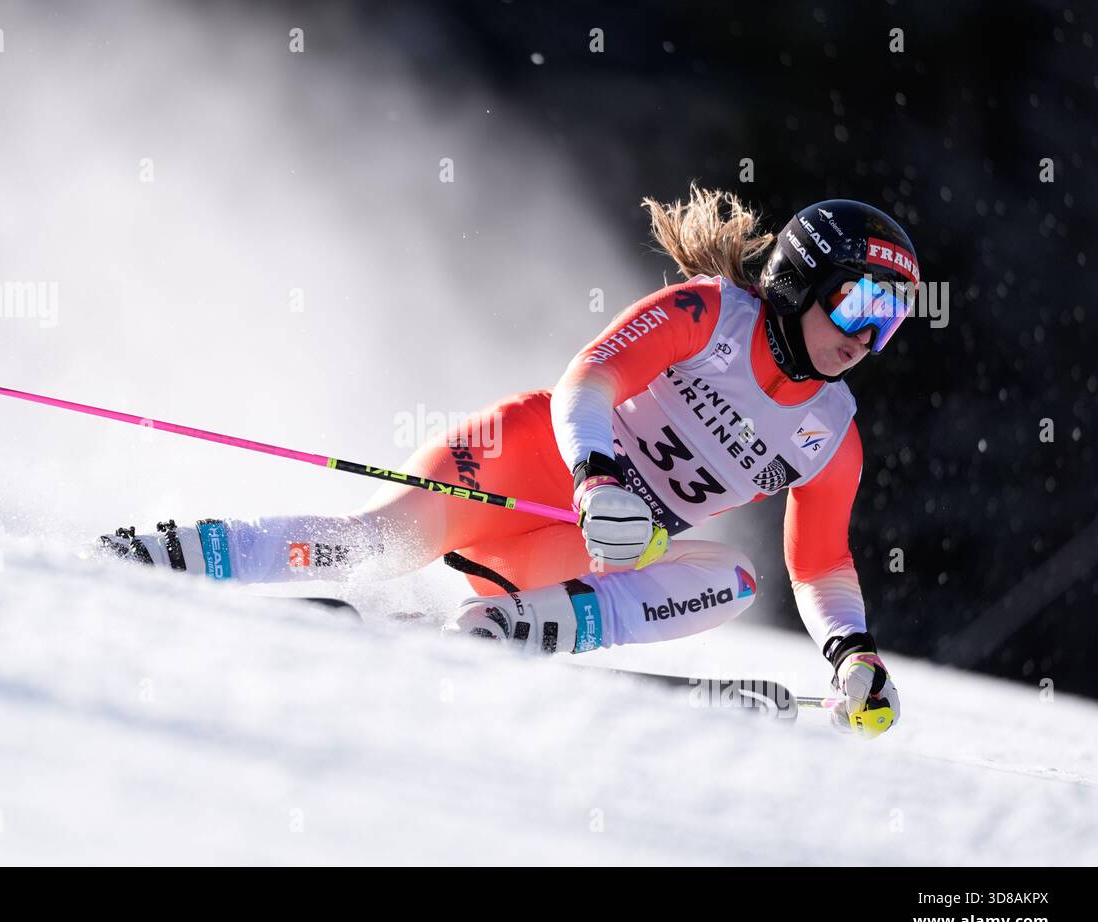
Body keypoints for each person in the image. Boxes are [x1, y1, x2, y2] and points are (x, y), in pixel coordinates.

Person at [101, 185, 919, 738]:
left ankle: (500, 627)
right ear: (803, 279)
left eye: (891, 322)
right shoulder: (708, 314)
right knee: (369, 547)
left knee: (735, 580)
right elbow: (588, 378)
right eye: (862, 304)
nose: (867, 337)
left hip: (580, 547)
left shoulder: (831, 433)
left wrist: (855, 655)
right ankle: (169, 553)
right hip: (519, 464)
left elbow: (819, 564)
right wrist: (597, 475)